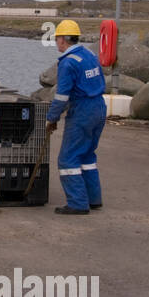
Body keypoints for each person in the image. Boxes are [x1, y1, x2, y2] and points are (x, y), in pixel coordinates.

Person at [45, 19, 106, 214]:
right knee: (87, 155)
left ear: (63, 40)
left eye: (57, 39)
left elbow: (62, 96)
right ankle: (93, 199)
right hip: (99, 107)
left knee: (68, 158)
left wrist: (51, 118)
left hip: (83, 112)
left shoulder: (68, 63)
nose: (56, 43)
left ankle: (78, 203)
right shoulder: (88, 53)